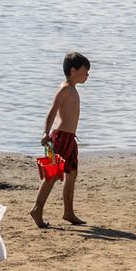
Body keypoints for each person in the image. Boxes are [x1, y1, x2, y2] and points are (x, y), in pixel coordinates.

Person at [30, 52, 90, 228]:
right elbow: (52, 111)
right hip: (59, 137)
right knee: (51, 175)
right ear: (73, 70)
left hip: (70, 138)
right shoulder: (64, 89)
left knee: (71, 174)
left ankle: (68, 212)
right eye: (85, 71)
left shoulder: (73, 89)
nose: (87, 75)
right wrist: (45, 133)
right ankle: (37, 209)